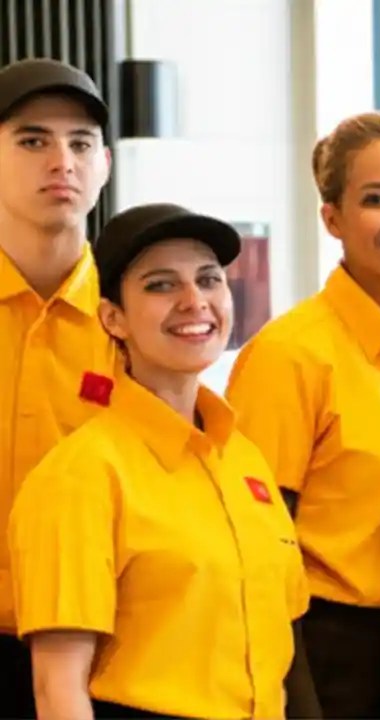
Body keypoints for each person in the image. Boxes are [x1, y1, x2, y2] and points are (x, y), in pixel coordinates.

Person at [8, 203, 313, 719]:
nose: (194, 301)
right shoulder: (81, 476)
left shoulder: (243, 460)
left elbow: (280, 650)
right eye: (161, 285)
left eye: (209, 280)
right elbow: (57, 689)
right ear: (113, 318)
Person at [226, 111, 380, 719]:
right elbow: (255, 555)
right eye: (377, 199)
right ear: (333, 219)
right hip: (327, 656)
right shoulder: (291, 356)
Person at [0, 57, 116, 718]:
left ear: (103, 164)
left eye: (79, 144)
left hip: (102, 648)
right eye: (33, 139)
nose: (61, 161)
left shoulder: (134, 320)